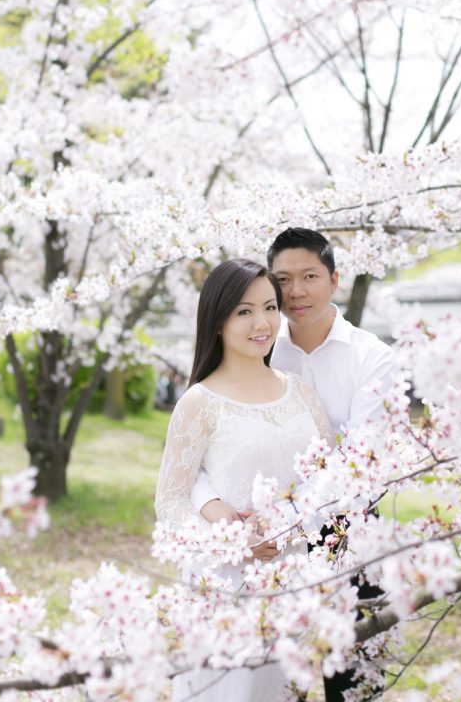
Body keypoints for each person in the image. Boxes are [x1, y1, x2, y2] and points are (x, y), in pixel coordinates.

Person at [191, 229, 398, 701]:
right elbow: (202, 447)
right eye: (283, 279)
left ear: (335, 280)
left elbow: (360, 466)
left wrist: (283, 522)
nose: (296, 291)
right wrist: (222, 511)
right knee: (260, 672)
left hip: (345, 528)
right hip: (258, 536)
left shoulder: (372, 359)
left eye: (310, 276)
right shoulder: (257, 341)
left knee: (352, 676)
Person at [155, 256, 333, 702]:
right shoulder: (199, 402)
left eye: (270, 307)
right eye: (244, 311)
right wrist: (227, 532)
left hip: (294, 579)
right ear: (217, 321)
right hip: (227, 584)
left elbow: (333, 480)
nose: (262, 322)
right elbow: (171, 501)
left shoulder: (301, 390)